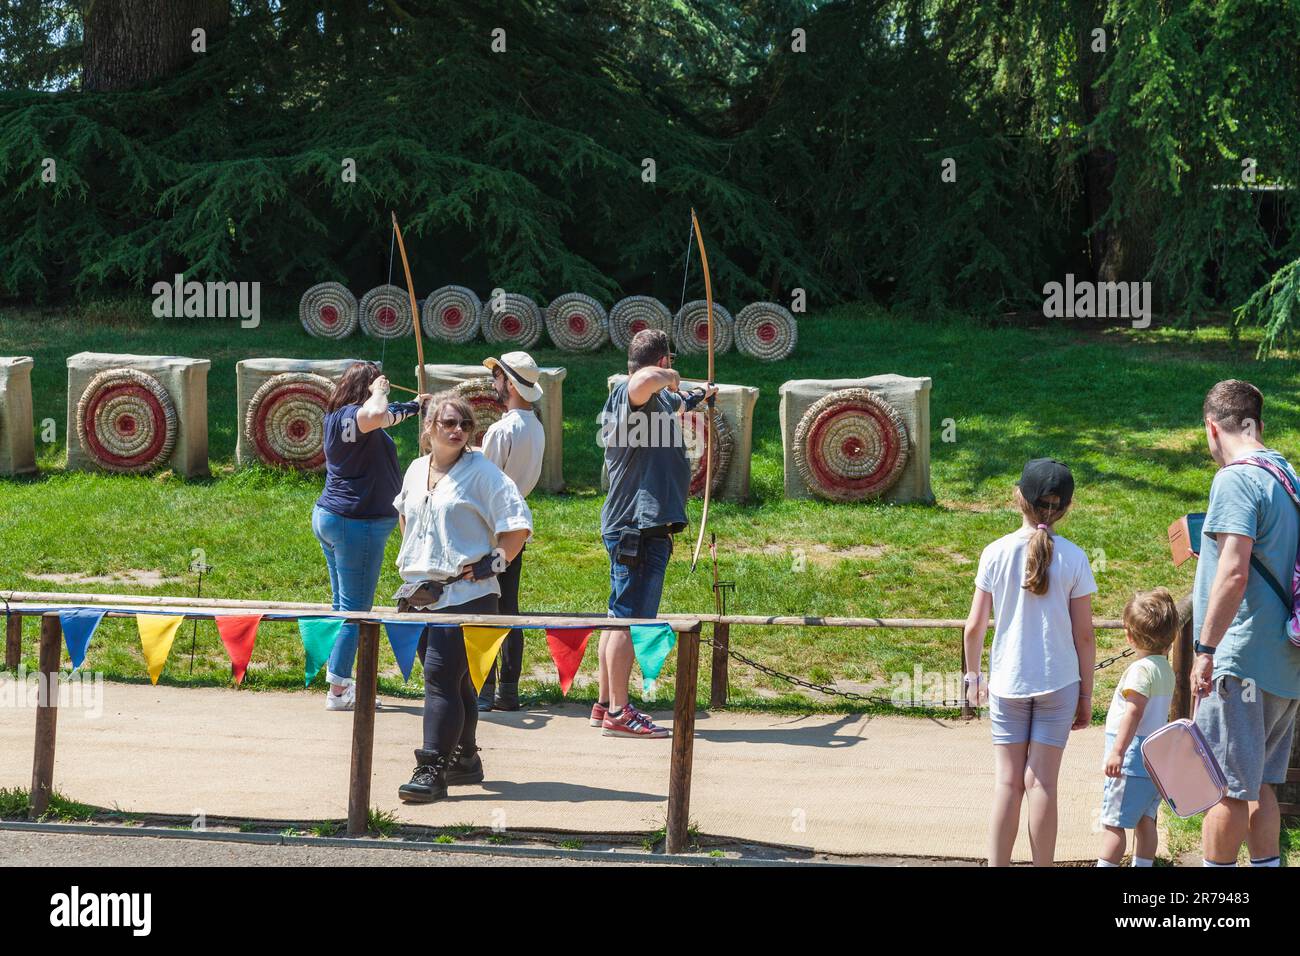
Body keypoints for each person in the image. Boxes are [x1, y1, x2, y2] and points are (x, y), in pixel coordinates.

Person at [393, 392, 533, 803]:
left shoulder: (483, 473)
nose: (457, 431)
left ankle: (431, 767)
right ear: (429, 428)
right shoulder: (417, 469)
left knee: (439, 679)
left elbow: (517, 525)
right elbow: (406, 514)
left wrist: (495, 562)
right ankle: (465, 760)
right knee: (456, 684)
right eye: (448, 423)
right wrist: (422, 563)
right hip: (421, 596)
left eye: (465, 425)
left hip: (468, 596)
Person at [962, 458, 1097, 866]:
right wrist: (1087, 694)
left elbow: (974, 627)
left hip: (1008, 682)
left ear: (1019, 497)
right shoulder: (1074, 558)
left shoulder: (995, 553)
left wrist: (973, 677)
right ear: (1066, 508)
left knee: (1007, 783)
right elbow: (1085, 636)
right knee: (1042, 784)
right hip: (1060, 683)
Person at [1191, 380, 1300, 867]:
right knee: (1260, 785)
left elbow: (1234, 572)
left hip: (1241, 656)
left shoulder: (1234, 480)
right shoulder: (1287, 476)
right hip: (1285, 658)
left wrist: (1206, 647)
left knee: (1224, 787)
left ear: (1213, 428)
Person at [593, 328, 714, 738]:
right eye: (668, 363)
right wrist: (671, 375)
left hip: (641, 525)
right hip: (636, 526)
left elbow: (679, 398)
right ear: (663, 361)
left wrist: (699, 395)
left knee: (618, 616)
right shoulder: (628, 394)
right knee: (632, 618)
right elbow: (644, 381)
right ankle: (620, 712)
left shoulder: (658, 400)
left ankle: (605, 702)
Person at [312, 361, 428, 711]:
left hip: (337, 519)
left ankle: (338, 680)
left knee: (342, 607)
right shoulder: (356, 415)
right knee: (356, 611)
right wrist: (381, 390)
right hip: (355, 524)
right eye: (376, 387)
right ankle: (338, 690)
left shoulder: (341, 417)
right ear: (366, 390)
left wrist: (415, 406)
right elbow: (378, 412)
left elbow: (384, 415)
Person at [475, 351, 546, 711]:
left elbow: (482, 478)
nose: (494, 383)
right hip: (516, 524)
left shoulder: (503, 429)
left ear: (510, 384)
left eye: (498, 376)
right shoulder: (534, 425)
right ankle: (508, 690)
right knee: (510, 606)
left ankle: (484, 691)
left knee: (487, 607)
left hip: (491, 528)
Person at [1097, 588, 1178, 868]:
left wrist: (1117, 752)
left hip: (1130, 761)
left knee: (1114, 824)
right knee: (1146, 820)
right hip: (1153, 762)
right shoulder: (1164, 669)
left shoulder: (1140, 670)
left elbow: (1134, 711)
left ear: (1130, 636)